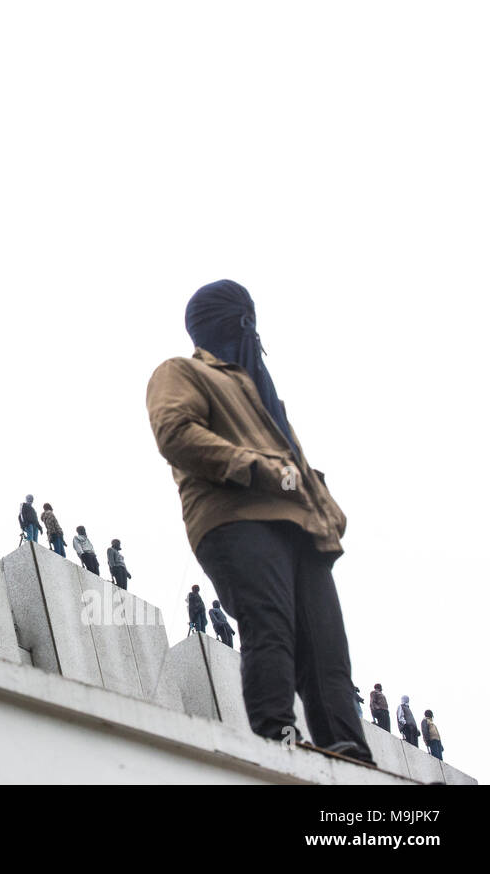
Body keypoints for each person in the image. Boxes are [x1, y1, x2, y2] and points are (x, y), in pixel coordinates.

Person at [146, 279, 370, 762]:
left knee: (327, 650)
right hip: (237, 517)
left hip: (303, 528)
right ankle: (278, 737)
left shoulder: (265, 397)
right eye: (242, 322)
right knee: (270, 625)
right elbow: (175, 432)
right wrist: (252, 468)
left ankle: (351, 751)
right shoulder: (182, 372)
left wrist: (326, 507)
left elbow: (296, 470)